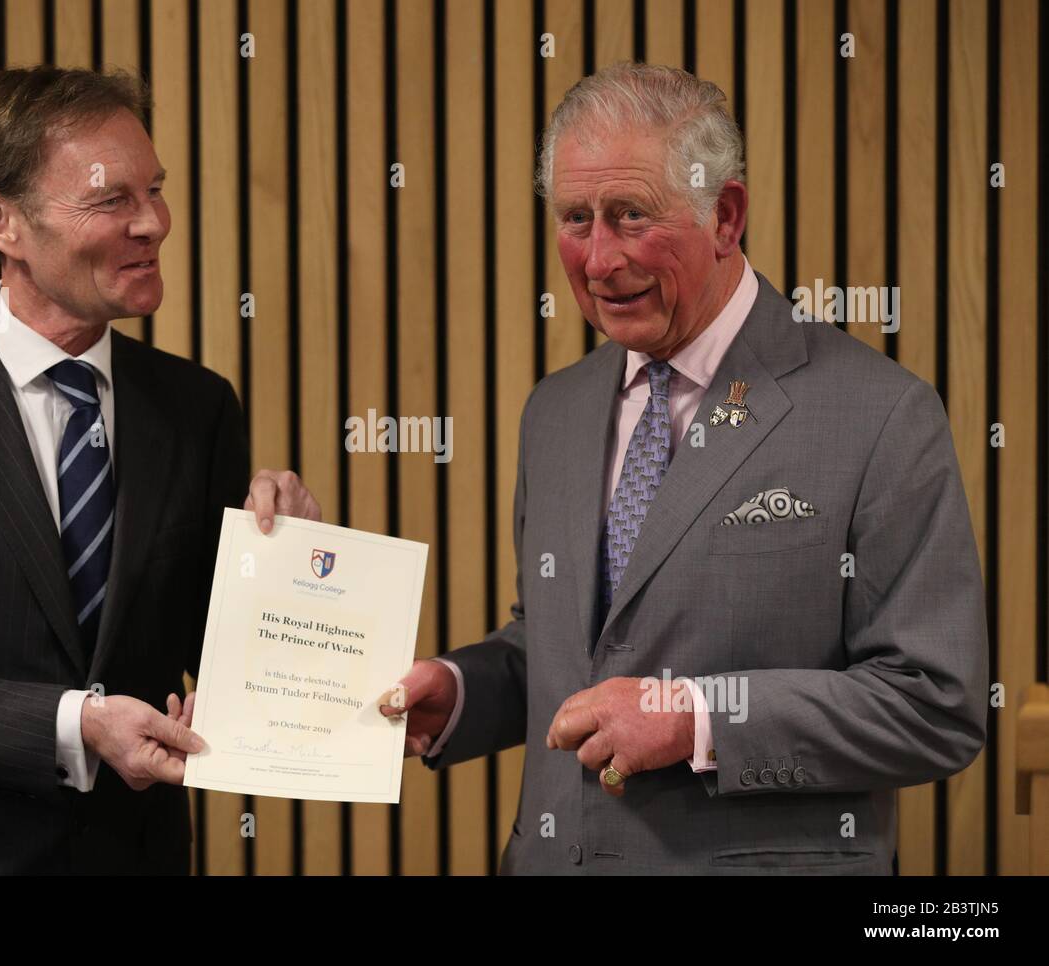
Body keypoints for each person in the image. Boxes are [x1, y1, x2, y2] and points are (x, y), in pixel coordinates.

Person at [386, 62, 987, 875]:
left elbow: (933, 703)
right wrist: (460, 692)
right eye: (574, 218)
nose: (597, 260)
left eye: (630, 216)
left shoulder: (882, 415)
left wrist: (699, 717)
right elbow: (567, 651)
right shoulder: (554, 412)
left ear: (726, 216)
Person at [0, 66, 319, 874]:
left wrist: (285, 566)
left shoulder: (197, 405)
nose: (154, 223)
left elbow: (223, 663)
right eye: (113, 199)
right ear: (1, 220)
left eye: (157, 190)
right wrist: (75, 724)